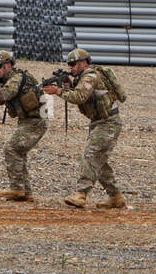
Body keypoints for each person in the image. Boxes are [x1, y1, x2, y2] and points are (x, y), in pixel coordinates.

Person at [43, 47, 126, 209]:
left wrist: (58, 91)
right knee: (99, 160)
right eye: (69, 65)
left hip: (108, 122)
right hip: (99, 122)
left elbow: (79, 96)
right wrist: (68, 86)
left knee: (90, 155)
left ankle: (81, 193)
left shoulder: (90, 77)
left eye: (73, 64)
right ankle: (115, 196)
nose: (71, 67)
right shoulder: (84, 77)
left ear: (83, 63)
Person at [0, 50, 46, 201]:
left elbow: (3, 96)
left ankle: (17, 189)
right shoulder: (10, 80)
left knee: (11, 148)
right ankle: (26, 192)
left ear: (8, 65)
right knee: (18, 152)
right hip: (29, 120)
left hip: (35, 121)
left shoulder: (16, 78)